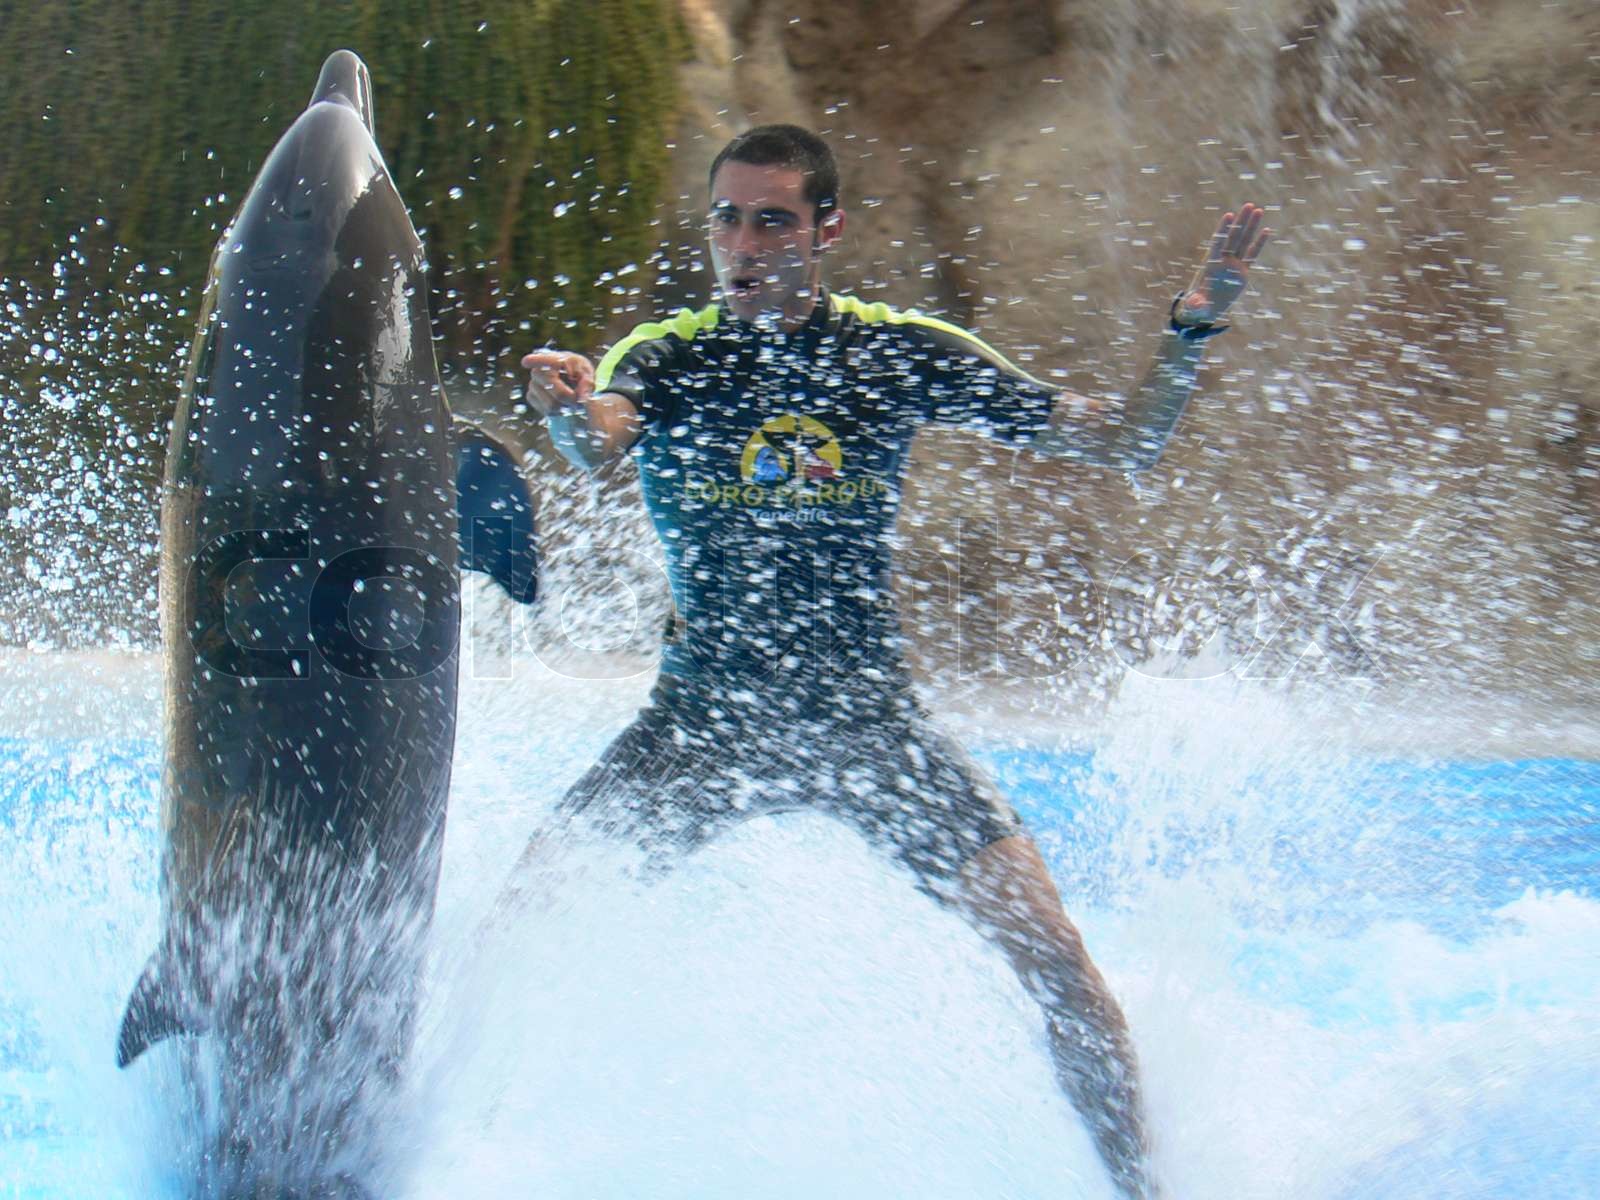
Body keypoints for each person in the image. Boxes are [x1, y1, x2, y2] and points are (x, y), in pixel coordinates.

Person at [512, 124, 1268, 1198]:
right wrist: (560, 403)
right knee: (517, 934)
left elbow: (1123, 442)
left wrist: (1193, 326)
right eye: (725, 218)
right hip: (699, 728)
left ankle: (1143, 1190)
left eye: (772, 219)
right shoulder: (670, 353)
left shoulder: (896, 350)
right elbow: (597, 444)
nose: (743, 242)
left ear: (827, 227)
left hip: (869, 724)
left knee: (1056, 961)